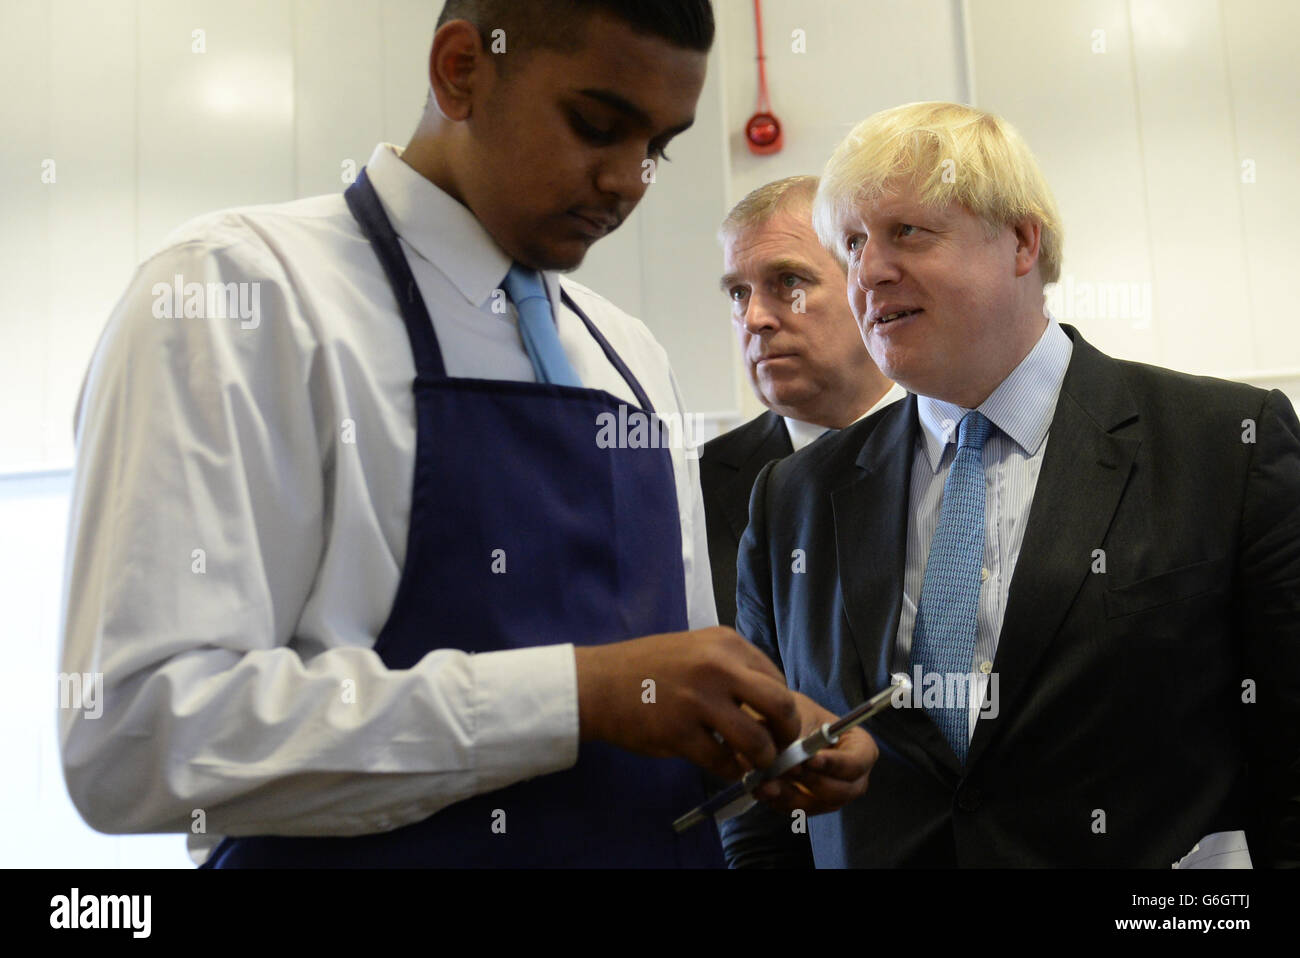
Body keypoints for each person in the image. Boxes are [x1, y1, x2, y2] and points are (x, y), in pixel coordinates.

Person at [58, 0, 876, 868]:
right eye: (597, 126)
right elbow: (136, 742)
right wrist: (577, 697)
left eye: (659, 148)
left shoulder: (626, 356)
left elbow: (676, 683)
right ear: (460, 69)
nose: (630, 180)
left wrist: (759, 739)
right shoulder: (244, 298)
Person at [721, 100, 1300, 867]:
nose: (870, 270)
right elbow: (761, 796)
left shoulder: (1225, 445)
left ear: (1022, 240)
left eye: (908, 233)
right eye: (854, 242)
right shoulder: (793, 498)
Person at [702, 175, 903, 630]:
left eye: (788, 281)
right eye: (739, 293)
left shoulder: (962, 453)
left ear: (864, 284)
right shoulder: (693, 490)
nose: (755, 318)